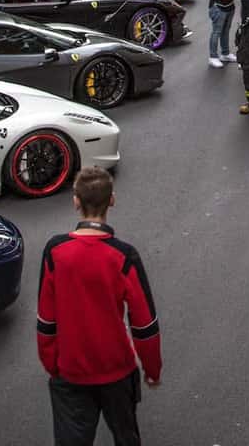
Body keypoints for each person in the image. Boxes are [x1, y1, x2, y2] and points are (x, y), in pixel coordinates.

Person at [38, 166, 161, 446]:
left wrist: (53, 363)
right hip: (117, 369)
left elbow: (46, 320)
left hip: (70, 370)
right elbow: (144, 325)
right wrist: (152, 370)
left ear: (76, 201)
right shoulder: (123, 255)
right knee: (126, 436)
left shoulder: (55, 251)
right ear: (112, 200)